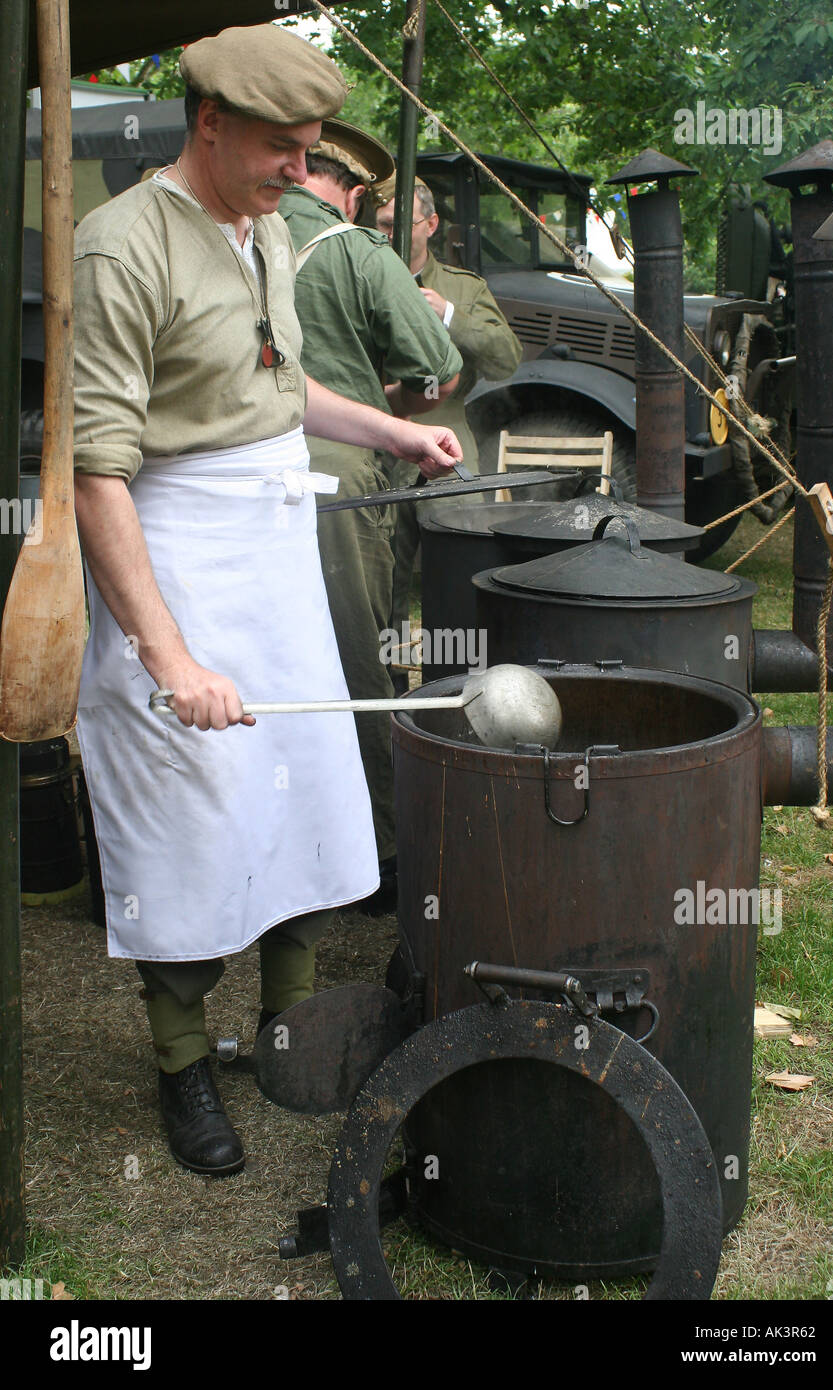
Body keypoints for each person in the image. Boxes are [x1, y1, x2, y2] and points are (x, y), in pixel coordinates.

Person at [72, 24, 461, 1178]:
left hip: (278, 555)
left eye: (309, 149)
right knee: (190, 815)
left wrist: (388, 427)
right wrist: (168, 656)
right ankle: (183, 1059)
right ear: (208, 122)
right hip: (176, 558)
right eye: (282, 149)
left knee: (300, 788)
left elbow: (280, 389)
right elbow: (96, 472)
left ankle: (290, 1029)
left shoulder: (270, 231)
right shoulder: (121, 245)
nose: (302, 171)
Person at [279, 124, 462, 914]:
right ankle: (380, 856)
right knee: (359, 661)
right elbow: (437, 371)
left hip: (225, 480)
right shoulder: (355, 251)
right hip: (337, 485)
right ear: (354, 194)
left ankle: (273, 841)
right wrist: (386, 408)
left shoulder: (228, 230)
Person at [373, 174, 523, 638]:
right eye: (382, 225)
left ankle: (460, 669)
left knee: (461, 564)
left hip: (446, 439)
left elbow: (506, 359)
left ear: (432, 224)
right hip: (375, 437)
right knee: (380, 577)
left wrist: (449, 316)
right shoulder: (360, 278)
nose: (392, 235)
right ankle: (387, 673)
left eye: (403, 224)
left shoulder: (463, 289)